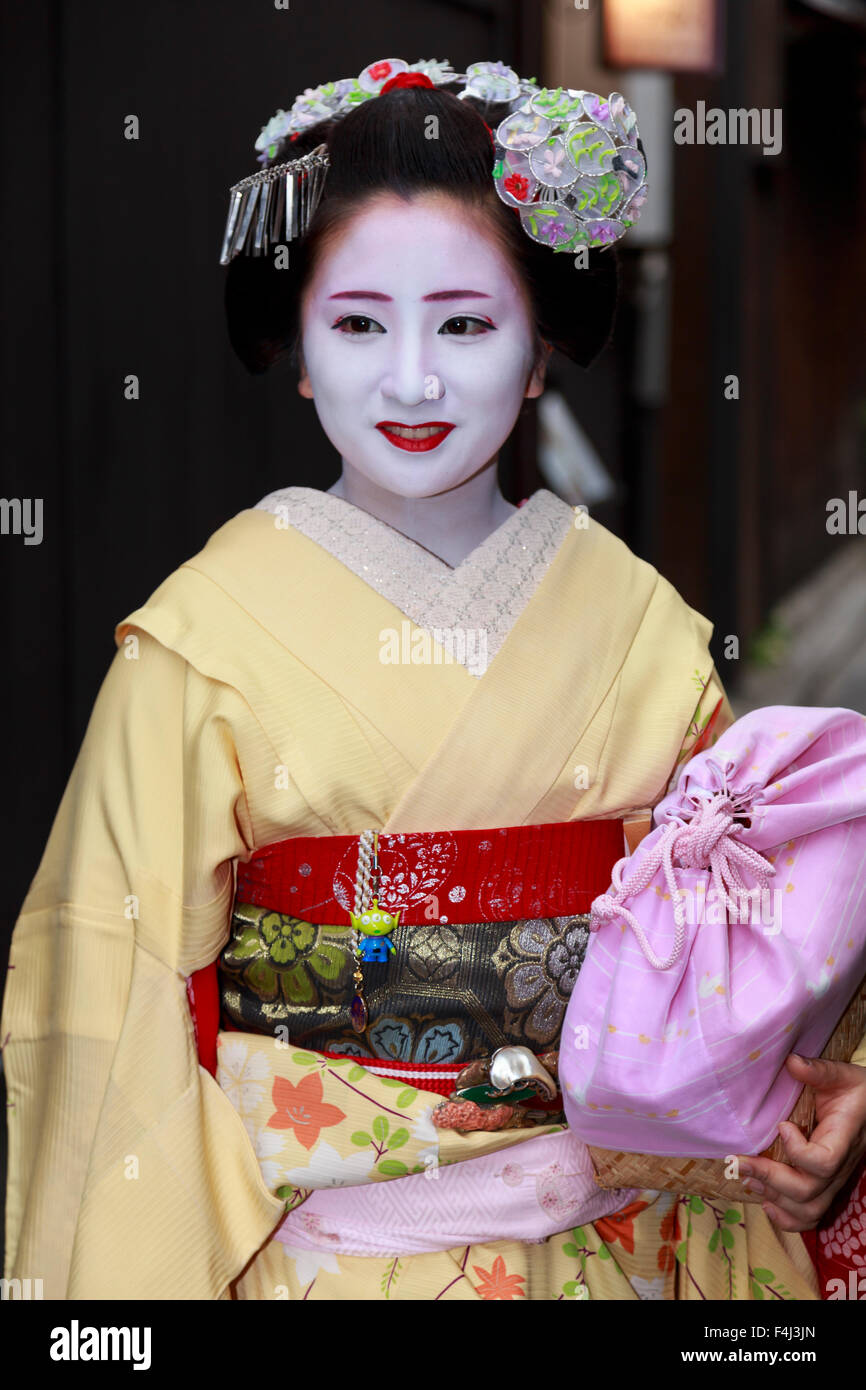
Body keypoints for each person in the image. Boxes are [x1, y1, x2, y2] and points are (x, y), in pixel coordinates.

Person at [3, 57, 865, 1302]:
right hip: (325, 1253)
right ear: (298, 350)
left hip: (628, 1252)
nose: (411, 378)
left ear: (534, 354)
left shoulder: (642, 628)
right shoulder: (200, 643)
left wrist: (826, 1106)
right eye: (356, 323)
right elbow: (113, 995)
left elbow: (757, 950)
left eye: (464, 322)